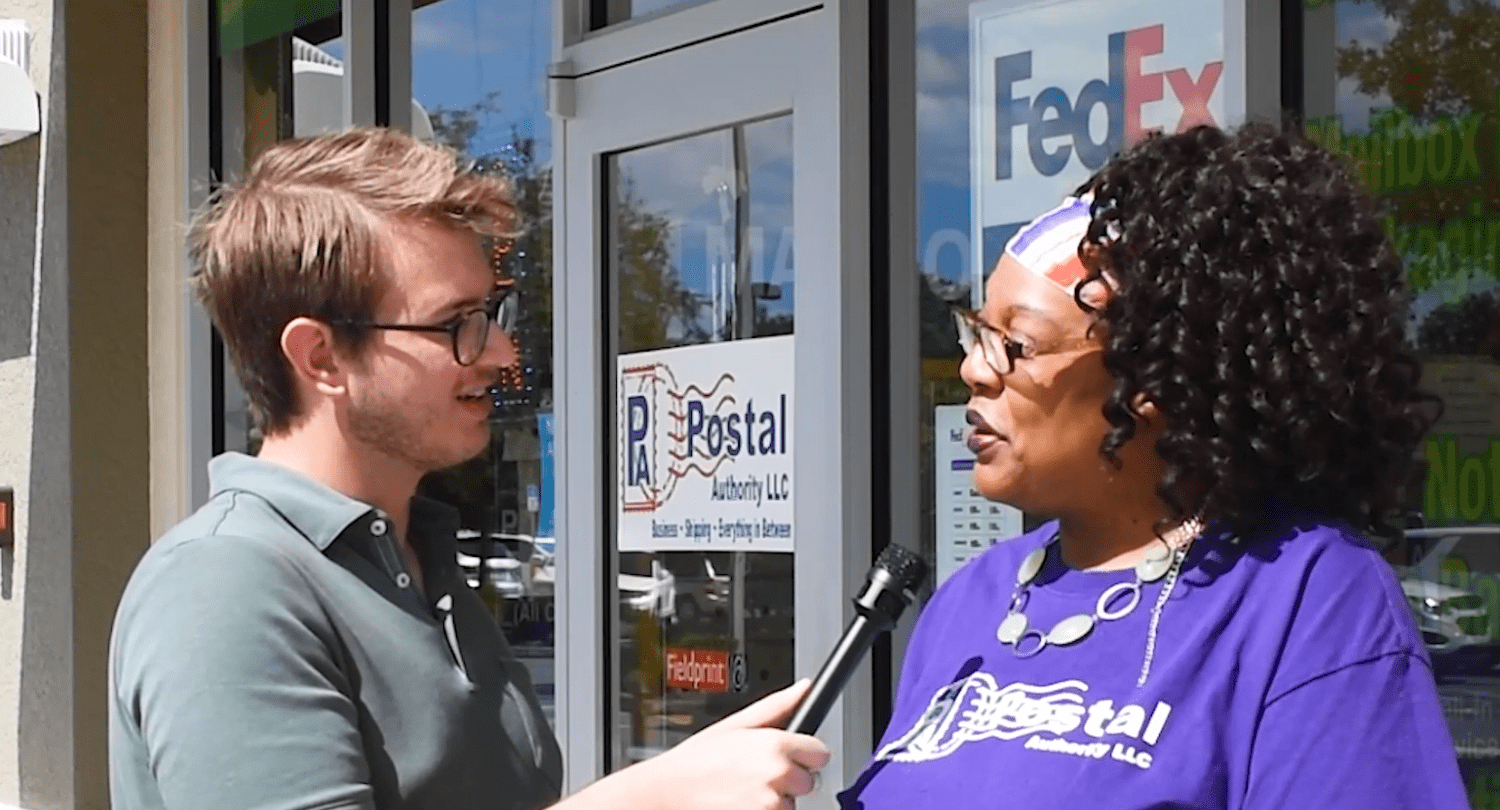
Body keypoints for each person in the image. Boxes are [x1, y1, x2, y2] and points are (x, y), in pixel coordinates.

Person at [107, 127, 828, 810]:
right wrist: (658, 795)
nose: (500, 354)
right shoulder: (223, 586)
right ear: (320, 357)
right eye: (456, 323)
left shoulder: (419, 559)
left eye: (491, 313)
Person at [839, 122, 1469, 809]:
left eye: (1014, 343)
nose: (971, 370)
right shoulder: (970, 602)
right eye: (976, 333)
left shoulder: (1309, 604)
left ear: (1153, 380)